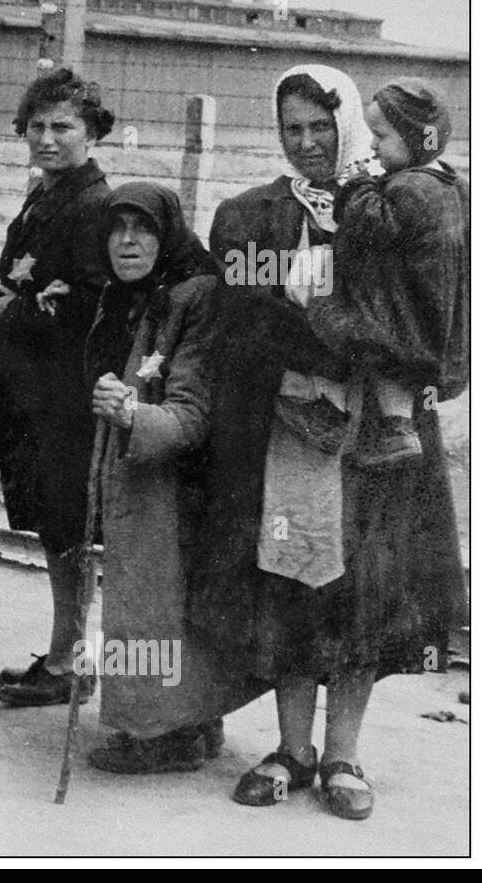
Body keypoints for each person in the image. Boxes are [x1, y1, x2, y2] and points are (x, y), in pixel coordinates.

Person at [191, 64, 467, 820]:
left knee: (365, 591)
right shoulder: (252, 216)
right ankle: (290, 747)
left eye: (322, 125)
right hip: (295, 421)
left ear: (349, 125)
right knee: (294, 577)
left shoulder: (406, 206)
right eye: (293, 129)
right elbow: (241, 321)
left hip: (387, 431)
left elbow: (447, 314)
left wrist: (409, 368)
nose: (308, 142)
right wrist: (315, 329)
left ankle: (343, 753)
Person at [78, 184, 257, 774]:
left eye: (143, 228)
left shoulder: (193, 296)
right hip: (151, 475)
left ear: (168, 233)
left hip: (176, 479)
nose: (127, 240)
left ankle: (155, 733)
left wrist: (131, 416)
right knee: (163, 604)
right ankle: (190, 722)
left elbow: (194, 411)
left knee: (151, 604)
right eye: (117, 228)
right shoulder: (132, 294)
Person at [0, 68, 114, 707]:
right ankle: (62, 652)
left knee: (69, 531)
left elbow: (95, 302)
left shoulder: (95, 205)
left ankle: (71, 661)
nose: (46, 139)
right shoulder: (44, 196)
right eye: (37, 126)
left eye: (63, 127)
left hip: (65, 395)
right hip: (31, 389)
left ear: (93, 132)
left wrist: (14, 315)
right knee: (57, 531)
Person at [316, 78, 468, 465]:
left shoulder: (410, 189)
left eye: (380, 136)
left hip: (403, 319)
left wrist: (357, 183)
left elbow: (370, 224)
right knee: (395, 369)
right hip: (438, 317)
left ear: (415, 138)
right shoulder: (453, 186)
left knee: (333, 311)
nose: (371, 145)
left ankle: (345, 417)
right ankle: (396, 429)